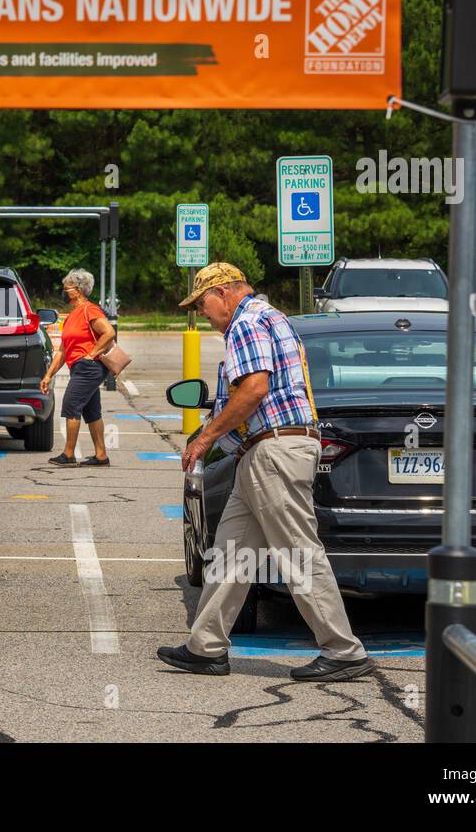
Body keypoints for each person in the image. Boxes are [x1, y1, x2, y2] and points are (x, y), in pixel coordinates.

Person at [156, 262, 373, 681]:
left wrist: (204, 439)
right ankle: (206, 648)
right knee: (232, 552)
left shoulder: (246, 323)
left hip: (275, 451)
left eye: (203, 303)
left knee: (297, 551)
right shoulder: (269, 318)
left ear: (224, 292)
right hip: (263, 453)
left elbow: (254, 387)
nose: (203, 313)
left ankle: (344, 651)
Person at [39, 268, 116, 467]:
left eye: (68, 287)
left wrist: (92, 354)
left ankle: (69, 454)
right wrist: (48, 375)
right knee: (92, 412)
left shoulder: (90, 310)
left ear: (78, 290)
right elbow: (63, 352)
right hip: (80, 366)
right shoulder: (73, 316)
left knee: (71, 405)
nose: (65, 291)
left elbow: (108, 333)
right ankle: (101, 456)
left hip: (89, 367)